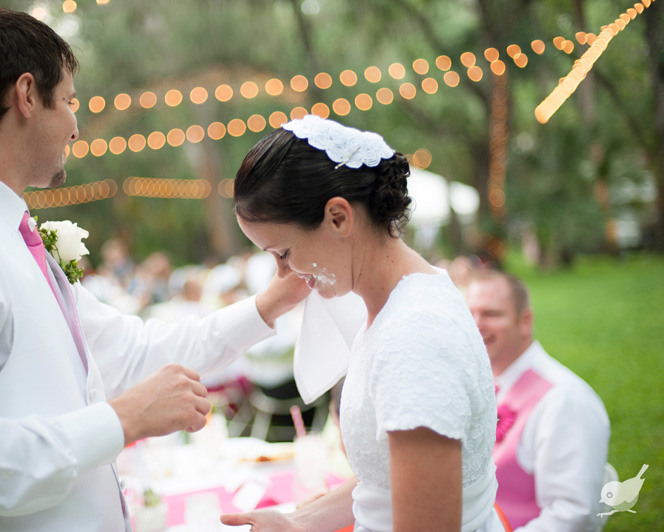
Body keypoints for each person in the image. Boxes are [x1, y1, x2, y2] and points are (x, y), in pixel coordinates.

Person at [0, 8, 306, 532]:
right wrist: (122, 420)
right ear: (26, 96)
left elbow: (134, 354)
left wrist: (270, 305)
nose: (76, 124)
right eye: (70, 101)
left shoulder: (5, 232)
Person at [221, 115, 508, 532]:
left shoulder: (415, 337)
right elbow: (392, 478)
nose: (283, 274)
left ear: (338, 218)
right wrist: (298, 522)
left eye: (283, 252)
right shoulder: (393, 308)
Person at [465, 271, 610, 531]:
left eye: (491, 314)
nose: (476, 325)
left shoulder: (565, 400)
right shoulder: (481, 386)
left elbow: (574, 514)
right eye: (469, 314)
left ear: (525, 321)